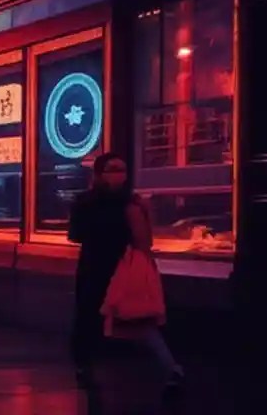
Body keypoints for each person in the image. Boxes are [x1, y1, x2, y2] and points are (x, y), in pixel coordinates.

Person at [68, 153, 183, 389]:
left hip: (124, 268)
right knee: (89, 317)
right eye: (112, 169)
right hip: (95, 267)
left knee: (139, 317)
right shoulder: (86, 202)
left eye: (122, 169)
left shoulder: (132, 203)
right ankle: (85, 364)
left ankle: (170, 367)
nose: (118, 174)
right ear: (99, 173)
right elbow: (75, 234)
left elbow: (144, 240)